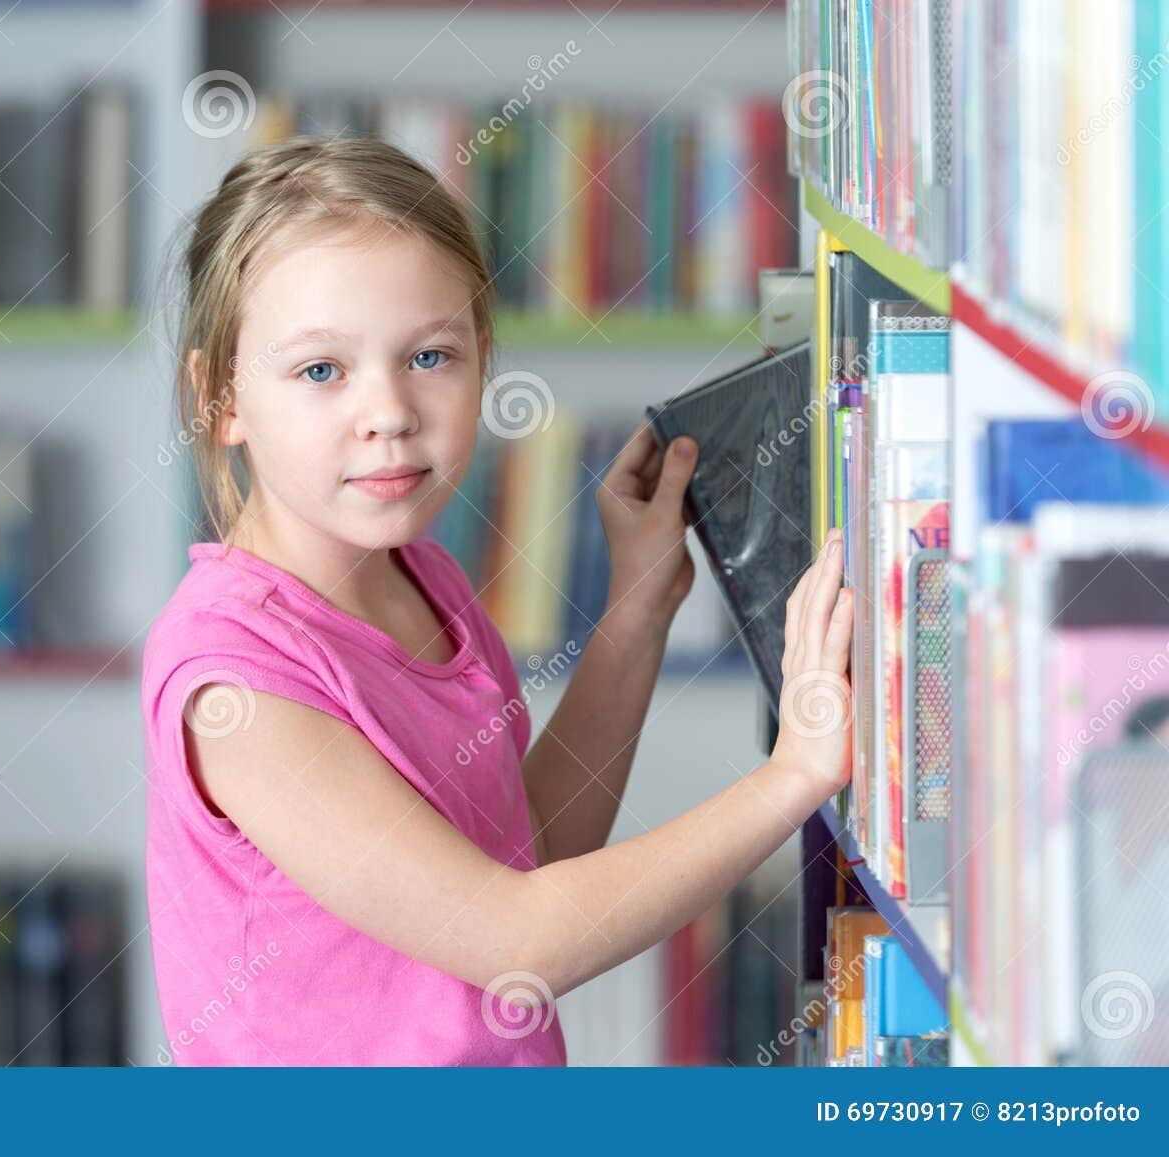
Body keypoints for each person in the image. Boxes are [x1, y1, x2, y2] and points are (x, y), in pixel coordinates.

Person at [141, 135, 853, 1065]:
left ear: (484, 356)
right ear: (221, 398)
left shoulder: (422, 577)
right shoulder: (235, 680)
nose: (389, 411)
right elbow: (518, 940)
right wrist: (793, 776)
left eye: (429, 355)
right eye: (321, 370)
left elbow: (533, 846)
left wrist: (636, 612)